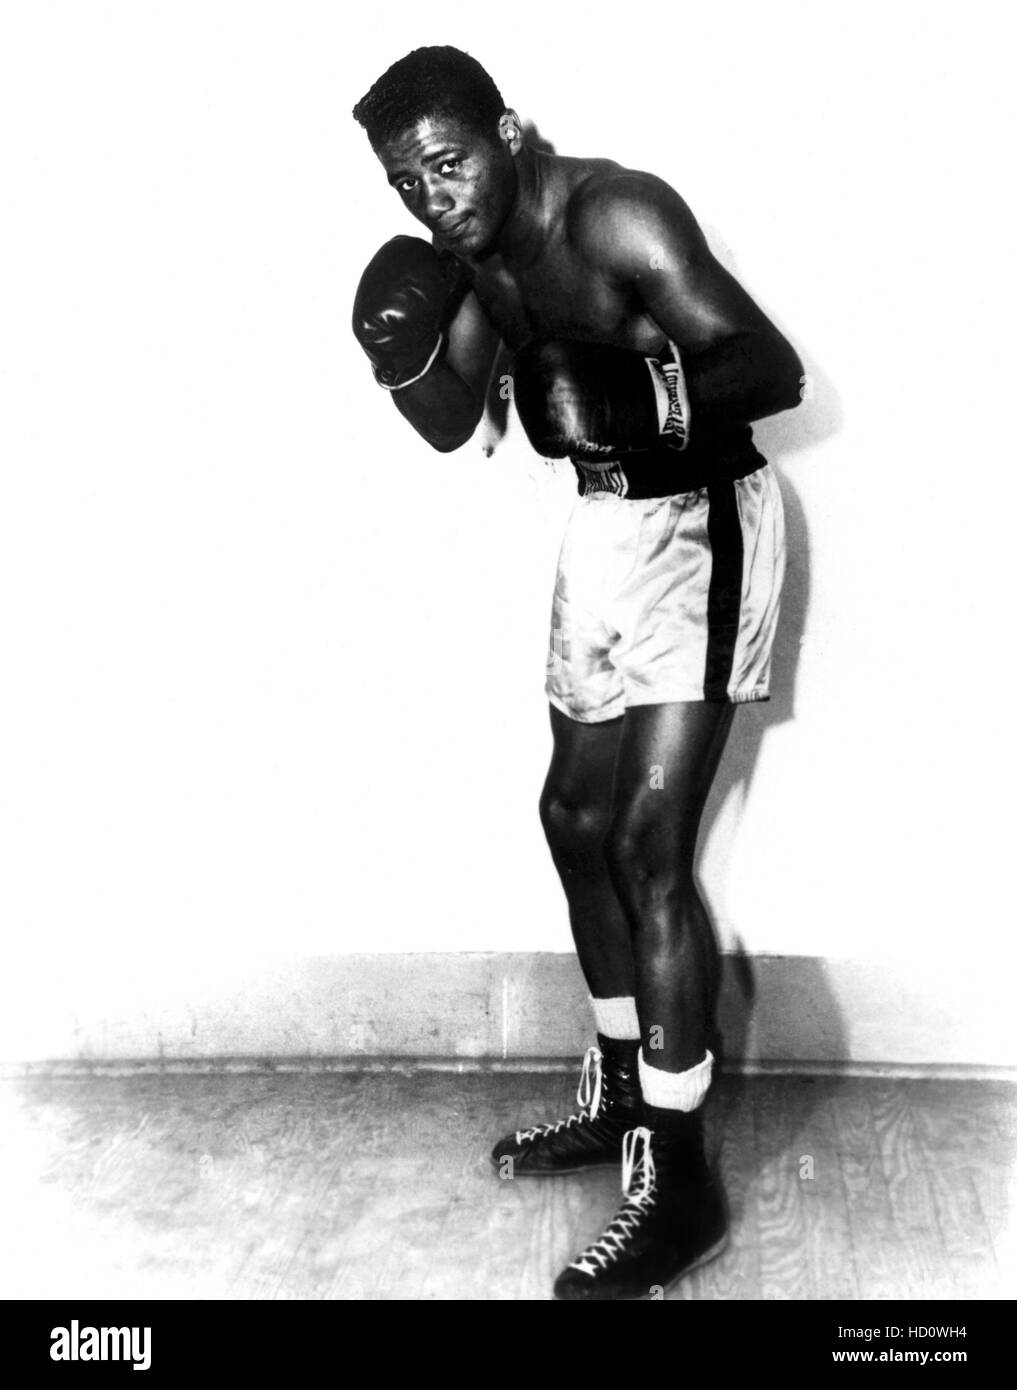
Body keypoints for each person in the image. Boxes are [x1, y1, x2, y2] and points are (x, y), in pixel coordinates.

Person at [352, 45, 802, 1301]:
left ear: (508, 129)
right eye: (406, 184)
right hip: (608, 533)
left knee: (651, 845)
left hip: (706, 521)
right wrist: (400, 354)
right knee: (575, 821)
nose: (432, 197)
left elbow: (770, 370)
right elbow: (458, 419)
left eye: (447, 162)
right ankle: (622, 1091)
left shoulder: (621, 214)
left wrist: (634, 391)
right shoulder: (476, 261)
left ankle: (683, 1170)